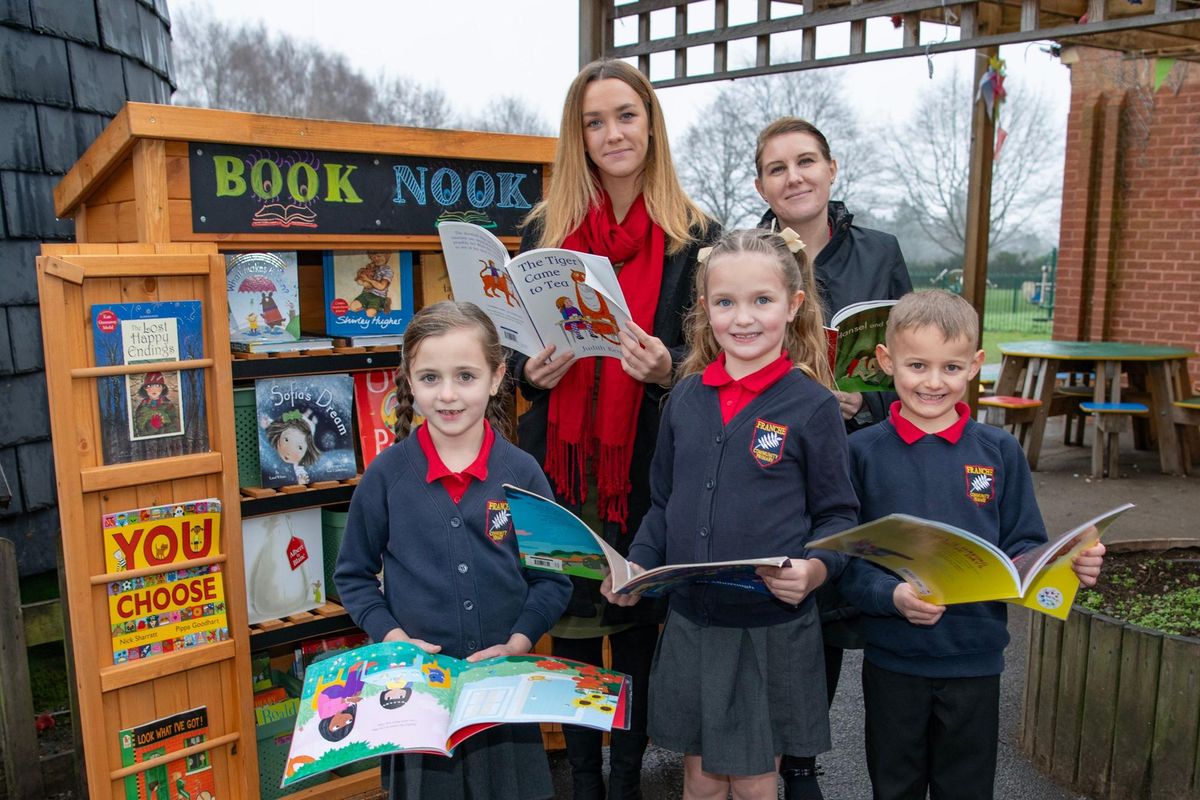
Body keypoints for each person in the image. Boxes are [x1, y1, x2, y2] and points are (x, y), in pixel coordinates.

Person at [513, 58, 717, 800]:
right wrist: (527, 372)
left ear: (651, 123)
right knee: (570, 638)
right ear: (579, 136)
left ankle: (627, 783)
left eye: (625, 116)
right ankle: (586, 787)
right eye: (594, 122)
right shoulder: (545, 231)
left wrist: (669, 371)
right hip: (563, 470)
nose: (612, 134)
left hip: (646, 470)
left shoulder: (695, 236)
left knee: (631, 638)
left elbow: (722, 371)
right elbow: (511, 346)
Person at [604, 228, 859, 800]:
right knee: (698, 777)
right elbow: (664, 502)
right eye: (725, 302)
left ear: (794, 307)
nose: (743, 319)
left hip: (766, 628)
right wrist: (636, 566)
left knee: (754, 779)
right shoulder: (685, 398)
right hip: (693, 621)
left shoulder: (813, 406)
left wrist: (815, 571)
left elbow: (840, 517)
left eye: (761, 301)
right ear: (704, 310)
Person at [838, 290, 1106, 800]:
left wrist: (1068, 564)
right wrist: (890, 597)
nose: (934, 382)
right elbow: (847, 560)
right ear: (886, 361)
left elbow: (1025, 546)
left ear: (976, 365)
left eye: (951, 367)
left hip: (976, 657)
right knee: (894, 786)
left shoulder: (999, 450)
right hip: (895, 658)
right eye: (917, 365)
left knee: (968, 787)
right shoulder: (860, 453)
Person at [334, 301, 571, 800]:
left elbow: (553, 578)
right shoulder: (386, 477)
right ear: (409, 381)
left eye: (465, 376)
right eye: (429, 378)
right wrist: (394, 637)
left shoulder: (523, 473)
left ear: (496, 376)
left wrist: (521, 642)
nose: (447, 394)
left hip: (503, 696)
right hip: (417, 700)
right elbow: (352, 576)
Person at [754, 116, 913, 799]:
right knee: (786, 607)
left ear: (832, 168)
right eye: (778, 167)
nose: (794, 176)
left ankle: (807, 759)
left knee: (840, 607)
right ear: (760, 183)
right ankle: (786, 759)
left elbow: (907, 360)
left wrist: (863, 404)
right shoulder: (745, 254)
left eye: (806, 161)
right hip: (774, 464)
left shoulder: (880, 252)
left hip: (854, 458)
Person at [131, 371, 178, 438]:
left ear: (163, 388)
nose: (154, 389)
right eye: (150, 386)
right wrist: (152, 426)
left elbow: (174, 427)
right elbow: (140, 430)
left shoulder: (169, 405)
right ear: (145, 388)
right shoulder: (141, 407)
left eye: (158, 386)